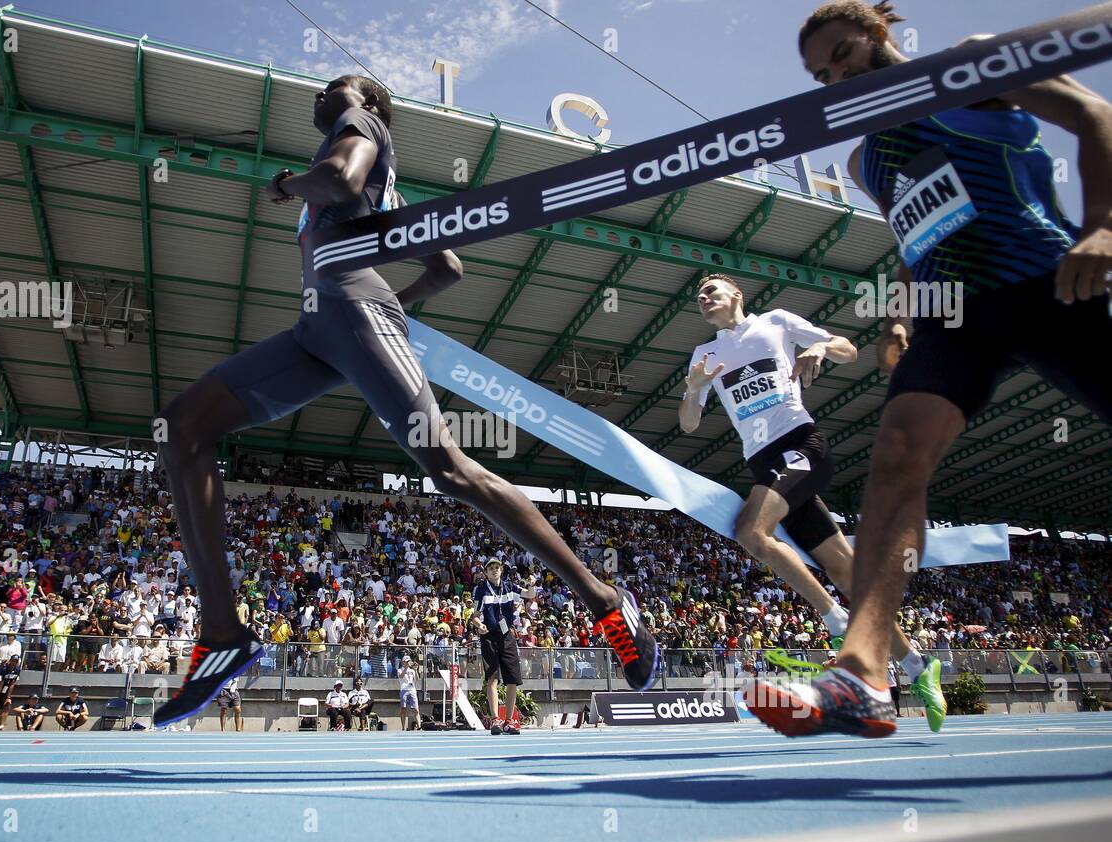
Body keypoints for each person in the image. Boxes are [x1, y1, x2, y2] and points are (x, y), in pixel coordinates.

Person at [152, 73, 656, 728]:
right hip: (321, 328)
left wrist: (287, 188)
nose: (319, 94)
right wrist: (396, 304)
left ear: (368, 100)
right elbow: (447, 267)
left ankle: (604, 599)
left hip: (353, 313)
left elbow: (336, 179)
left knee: (450, 471)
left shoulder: (361, 127)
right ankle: (222, 632)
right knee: (182, 426)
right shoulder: (388, 184)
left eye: (333, 86)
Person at [747, 0, 1112, 738]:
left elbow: (1096, 116)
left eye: (844, 57)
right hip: (956, 315)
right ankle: (862, 673)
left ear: (880, 34)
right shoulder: (863, 158)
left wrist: (1103, 222)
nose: (836, 78)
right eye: (822, 75)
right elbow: (917, 238)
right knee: (897, 453)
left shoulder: (968, 65)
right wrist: (903, 317)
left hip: (1045, 281)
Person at [681, 273, 944, 731]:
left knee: (750, 531)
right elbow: (688, 425)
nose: (704, 299)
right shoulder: (703, 353)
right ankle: (920, 666)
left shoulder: (776, 323)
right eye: (699, 296)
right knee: (846, 569)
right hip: (764, 464)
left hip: (803, 445)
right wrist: (692, 386)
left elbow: (849, 348)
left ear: (737, 295)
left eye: (712, 291)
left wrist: (820, 348)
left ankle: (835, 620)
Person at [473, 559, 536, 735]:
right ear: (485, 572)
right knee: (492, 678)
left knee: (512, 679)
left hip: (507, 634)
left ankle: (509, 721)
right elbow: (475, 616)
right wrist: (480, 625)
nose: (494, 570)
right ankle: (495, 720)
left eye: (497, 568)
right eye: (491, 568)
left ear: (501, 570)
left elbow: (529, 595)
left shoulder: (510, 587)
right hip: (489, 636)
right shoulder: (481, 589)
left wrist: (532, 584)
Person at [398, 655, 420, 731]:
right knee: (403, 709)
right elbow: (401, 676)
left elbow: (417, 679)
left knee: (416, 709)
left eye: (409, 661)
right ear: (403, 662)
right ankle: (403, 727)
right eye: (406, 662)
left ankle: (419, 726)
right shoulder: (400, 670)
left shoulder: (412, 671)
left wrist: (416, 670)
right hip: (404, 689)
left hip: (412, 690)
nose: (408, 663)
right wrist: (406, 667)